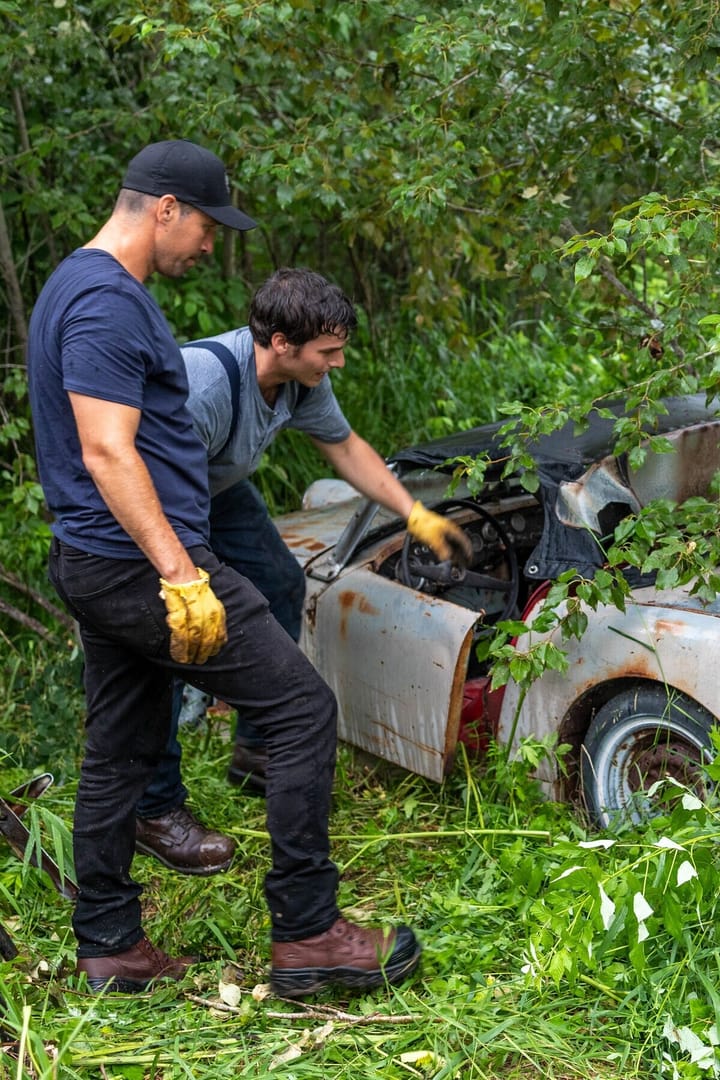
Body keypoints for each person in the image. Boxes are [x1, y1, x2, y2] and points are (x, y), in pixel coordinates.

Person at [26, 139, 425, 997]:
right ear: (165, 207)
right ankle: (310, 934)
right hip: (140, 560)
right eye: (207, 226)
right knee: (300, 709)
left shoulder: (83, 287)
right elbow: (105, 449)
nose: (210, 246)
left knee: (120, 752)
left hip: (102, 559)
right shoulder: (102, 301)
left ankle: (110, 946)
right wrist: (179, 573)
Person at [134, 268, 474, 876]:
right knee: (161, 640)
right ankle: (156, 806)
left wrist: (414, 512)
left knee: (282, 582)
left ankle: (257, 751)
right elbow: (142, 478)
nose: (337, 363)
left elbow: (344, 448)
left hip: (214, 489)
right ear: (282, 343)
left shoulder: (300, 384)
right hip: (150, 504)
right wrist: (183, 574)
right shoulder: (207, 384)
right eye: (330, 352)